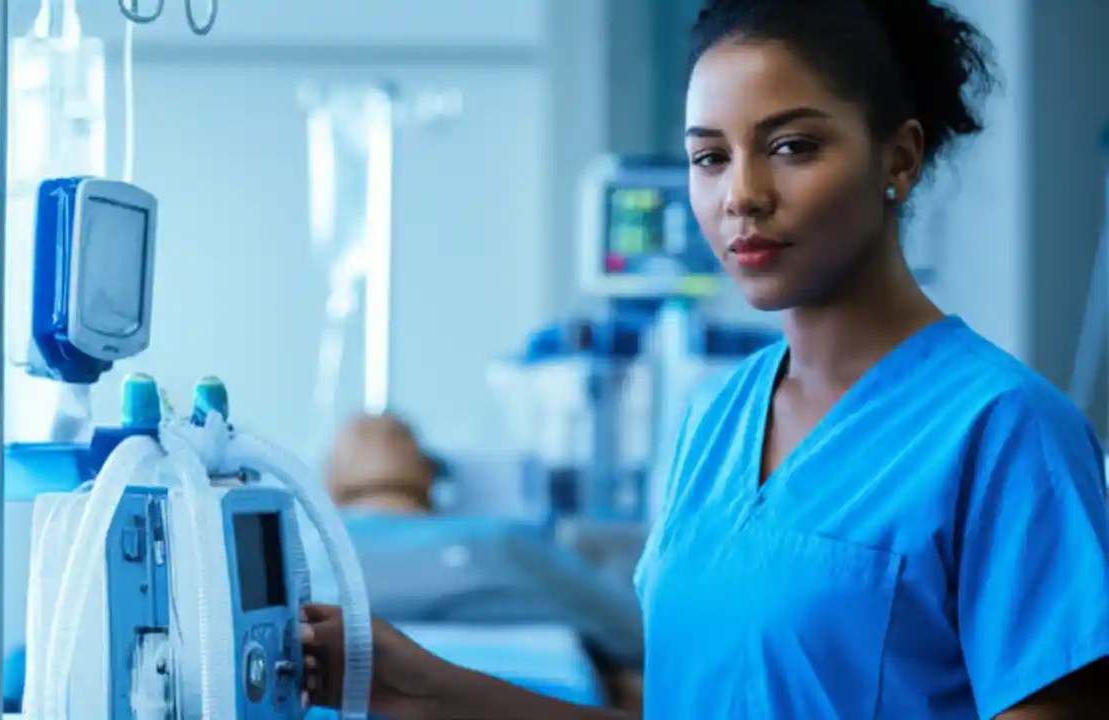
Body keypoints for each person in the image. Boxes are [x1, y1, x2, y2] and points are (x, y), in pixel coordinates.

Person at [300, 0, 1109, 717]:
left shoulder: (1005, 432)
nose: (741, 195)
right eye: (710, 157)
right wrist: (414, 685)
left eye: (791, 146)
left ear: (898, 158)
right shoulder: (715, 422)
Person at [311, 412, 646, 709]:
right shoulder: (504, 544)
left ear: (330, 482)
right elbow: (636, 634)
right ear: (431, 475)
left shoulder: (310, 557)